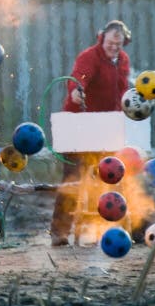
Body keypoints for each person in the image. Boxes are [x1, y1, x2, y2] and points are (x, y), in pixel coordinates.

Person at [50, 20, 131, 246]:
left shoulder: (123, 61)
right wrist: (77, 91)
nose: (114, 47)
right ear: (102, 39)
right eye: (111, 42)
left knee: (111, 176)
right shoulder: (90, 56)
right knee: (73, 179)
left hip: (107, 125)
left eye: (119, 43)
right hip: (78, 124)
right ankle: (60, 231)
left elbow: (123, 90)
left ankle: (109, 226)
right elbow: (80, 77)